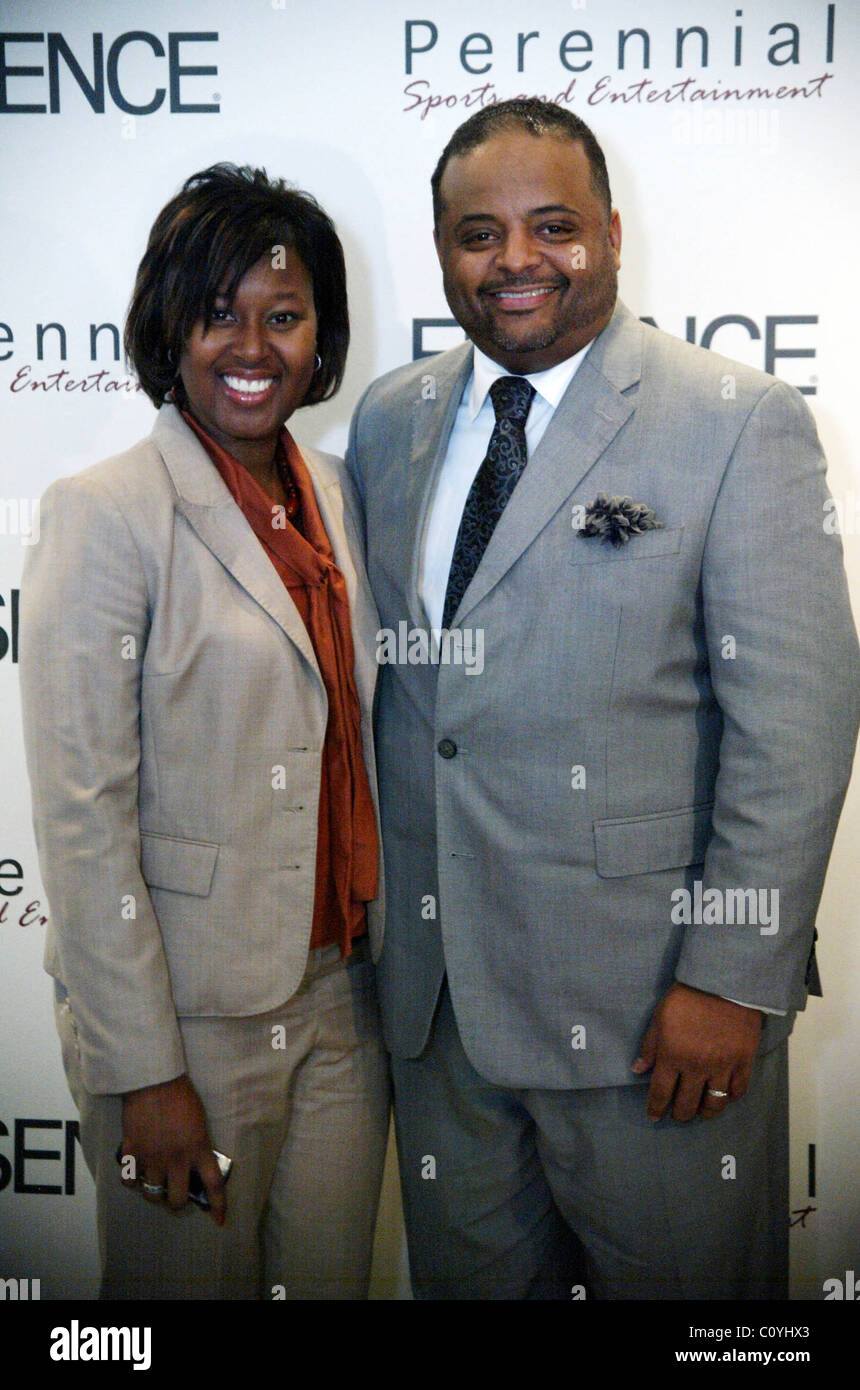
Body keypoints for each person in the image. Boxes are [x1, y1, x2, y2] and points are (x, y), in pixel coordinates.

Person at [346, 99, 860, 1299]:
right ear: (441, 251)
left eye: (551, 226)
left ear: (612, 236)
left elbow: (793, 723)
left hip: (654, 1020)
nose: (514, 260)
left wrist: (730, 976)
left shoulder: (734, 423)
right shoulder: (389, 421)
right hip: (440, 1019)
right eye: (477, 233)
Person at [19, 163, 389, 1300]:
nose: (252, 345)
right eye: (218, 312)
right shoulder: (106, 513)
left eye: (283, 316)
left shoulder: (337, 493)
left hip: (343, 999)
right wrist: (145, 1073)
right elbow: (83, 815)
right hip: (187, 1020)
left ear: (319, 334)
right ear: (169, 325)